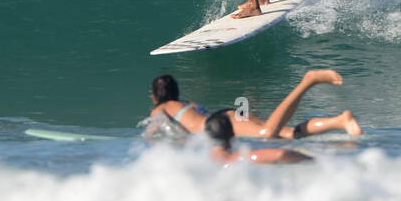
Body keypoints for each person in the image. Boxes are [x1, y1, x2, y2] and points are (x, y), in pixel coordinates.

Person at [146, 69, 362, 141]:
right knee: (287, 134)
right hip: (226, 117)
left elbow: (153, 131)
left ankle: (308, 81)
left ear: (155, 96)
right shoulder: (186, 103)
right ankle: (340, 121)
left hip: (221, 123)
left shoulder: (160, 108)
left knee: (267, 133)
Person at [204, 109, 311, 165]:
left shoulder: (201, 159)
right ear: (232, 134)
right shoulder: (233, 159)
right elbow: (280, 154)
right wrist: (315, 161)